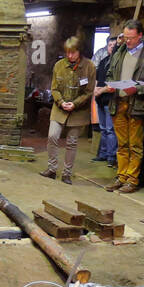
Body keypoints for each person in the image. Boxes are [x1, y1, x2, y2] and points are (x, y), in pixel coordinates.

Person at [98, 20, 144, 193]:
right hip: (118, 102)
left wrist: (136, 88)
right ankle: (121, 177)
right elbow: (109, 72)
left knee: (135, 145)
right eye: (125, 37)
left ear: (140, 36)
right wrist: (112, 84)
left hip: (138, 105)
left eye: (131, 38)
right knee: (122, 144)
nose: (127, 41)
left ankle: (132, 179)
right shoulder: (119, 52)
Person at [41, 37, 95, 184]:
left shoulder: (89, 67)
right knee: (52, 136)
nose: (70, 56)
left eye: (73, 52)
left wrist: (75, 104)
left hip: (78, 111)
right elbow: (54, 88)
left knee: (71, 142)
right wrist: (61, 101)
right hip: (59, 108)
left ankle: (67, 173)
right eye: (67, 53)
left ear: (79, 51)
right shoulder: (59, 66)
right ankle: (52, 169)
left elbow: (89, 91)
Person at [91, 34, 118, 163]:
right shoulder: (103, 61)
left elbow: (113, 85)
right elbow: (98, 79)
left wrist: (101, 90)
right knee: (102, 128)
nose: (112, 47)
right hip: (100, 99)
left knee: (109, 129)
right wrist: (95, 89)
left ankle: (111, 157)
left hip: (110, 100)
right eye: (110, 45)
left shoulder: (117, 64)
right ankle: (102, 154)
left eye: (114, 45)